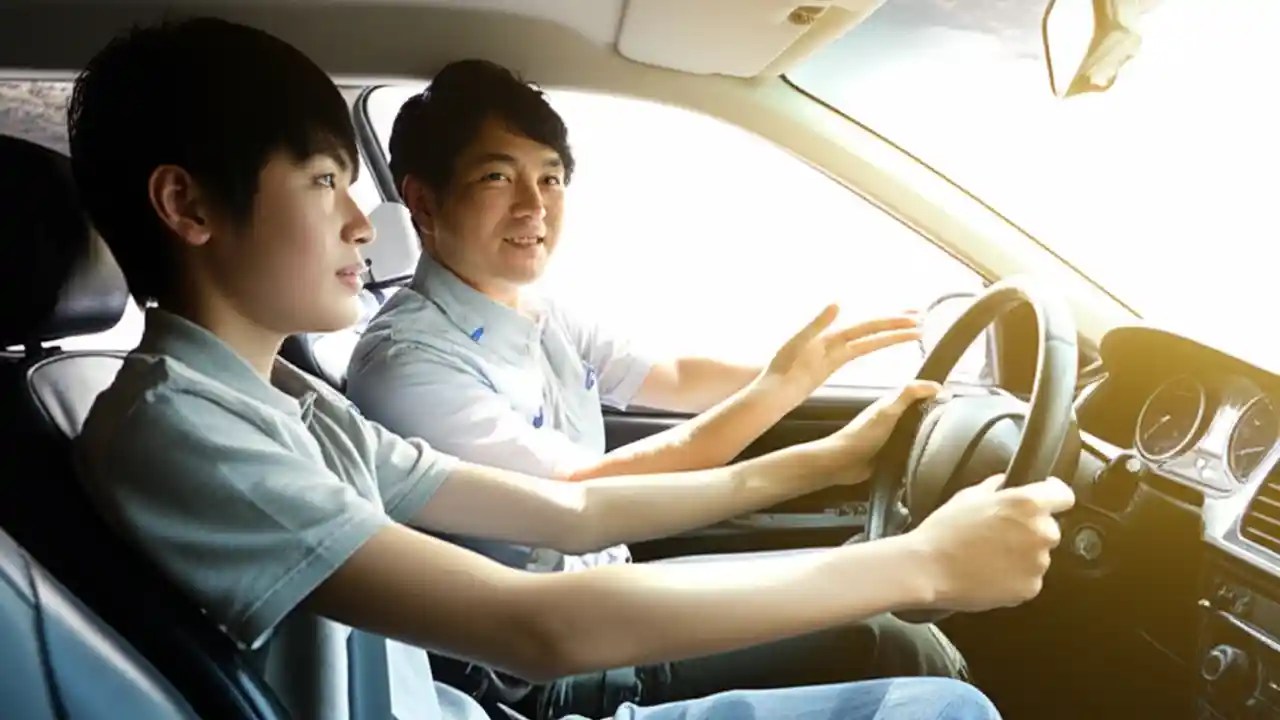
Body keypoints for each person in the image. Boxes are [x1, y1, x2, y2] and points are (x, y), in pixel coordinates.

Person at [69, 17, 1071, 720]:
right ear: (188, 208)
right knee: (935, 699)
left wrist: (823, 461)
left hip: (469, 688)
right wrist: (922, 562)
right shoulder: (179, 431)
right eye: (325, 180)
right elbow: (533, 625)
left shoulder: (282, 402)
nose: (354, 217)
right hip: (507, 690)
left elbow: (574, 517)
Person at [345, 60, 962, 717]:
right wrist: (791, 409)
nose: (535, 205)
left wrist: (811, 370)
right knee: (892, 639)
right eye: (498, 177)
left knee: (877, 604)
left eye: (550, 177)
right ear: (423, 201)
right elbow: (580, 497)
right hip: (551, 660)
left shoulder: (536, 309)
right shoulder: (404, 365)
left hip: (612, 589)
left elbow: (670, 376)